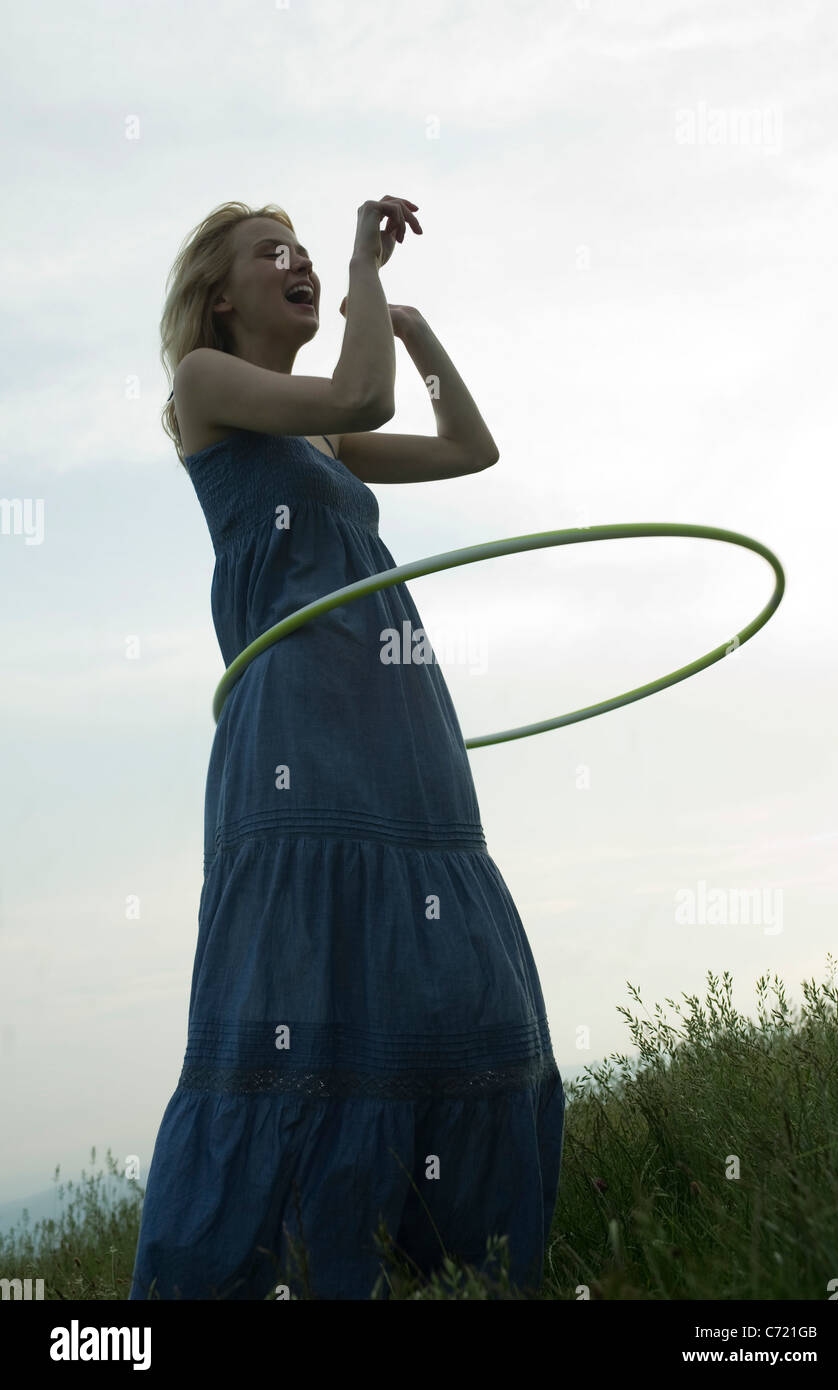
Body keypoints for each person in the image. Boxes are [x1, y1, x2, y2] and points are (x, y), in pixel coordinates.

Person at [128, 196, 565, 1300]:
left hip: (399, 709)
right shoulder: (205, 382)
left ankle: (441, 1257)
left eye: (310, 254)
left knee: (453, 972)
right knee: (298, 980)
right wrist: (368, 274)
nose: (303, 264)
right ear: (221, 295)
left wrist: (413, 329)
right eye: (274, 253)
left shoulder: (321, 430)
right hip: (299, 717)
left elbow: (471, 446)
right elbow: (354, 390)